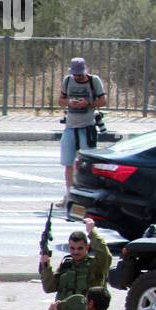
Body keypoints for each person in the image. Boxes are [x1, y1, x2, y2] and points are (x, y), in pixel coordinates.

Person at [40, 218, 112, 310]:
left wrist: (92, 232)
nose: (76, 252)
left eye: (80, 248)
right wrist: (45, 266)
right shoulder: (66, 265)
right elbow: (49, 287)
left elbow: (106, 256)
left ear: (87, 247)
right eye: (72, 248)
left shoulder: (95, 266)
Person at [59, 57, 107, 203]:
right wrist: (70, 102)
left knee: (86, 163)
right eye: (75, 74)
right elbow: (61, 100)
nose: (78, 77)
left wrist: (89, 103)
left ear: (85, 71)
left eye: (80, 74)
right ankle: (69, 195)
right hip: (70, 127)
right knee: (68, 163)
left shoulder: (94, 81)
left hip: (87, 127)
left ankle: (86, 194)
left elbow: (103, 101)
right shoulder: (67, 80)